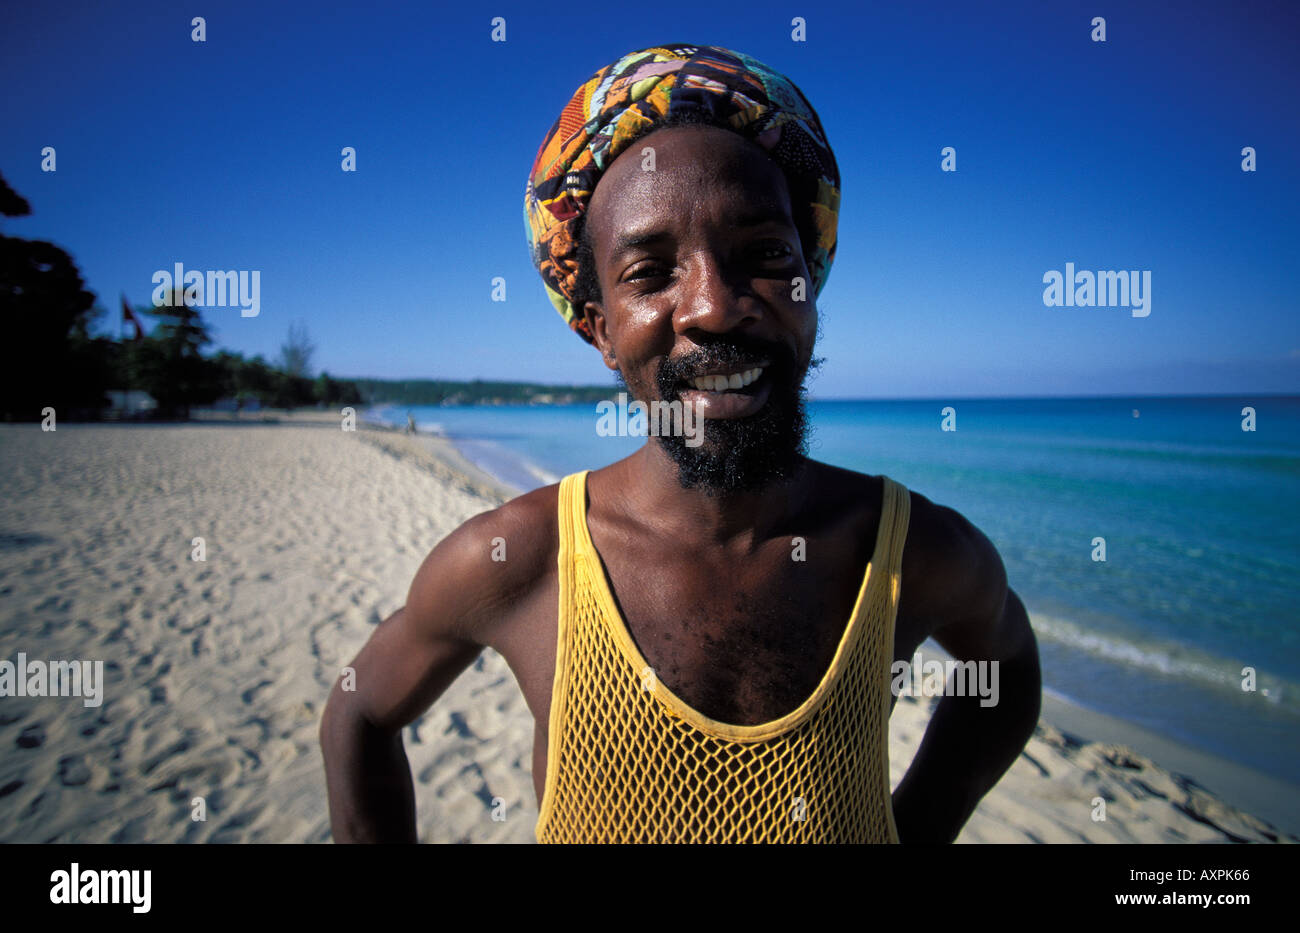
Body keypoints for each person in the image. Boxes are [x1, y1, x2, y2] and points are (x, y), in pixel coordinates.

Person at [320, 43, 1041, 843]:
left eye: (764, 254)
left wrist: (921, 824)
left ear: (811, 277)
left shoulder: (912, 551)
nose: (713, 307)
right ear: (598, 328)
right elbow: (358, 711)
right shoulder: (518, 563)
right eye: (651, 271)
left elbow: (1005, 672)